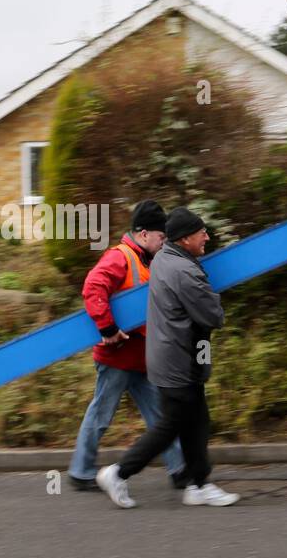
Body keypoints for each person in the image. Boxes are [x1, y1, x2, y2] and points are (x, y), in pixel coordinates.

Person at [97, 208, 239, 508]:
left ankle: (198, 485)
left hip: (174, 355)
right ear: (185, 238)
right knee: (172, 424)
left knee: (196, 421)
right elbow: (214, 316)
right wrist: (213, 299)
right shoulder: (184, 271)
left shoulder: (165, 257)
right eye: (202, 232)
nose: (207, 237)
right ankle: (119, 473)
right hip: (180, 360)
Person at [68, 200, 186, 491]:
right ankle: (81, 472)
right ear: (144, 234)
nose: (163, 243)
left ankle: (180, 470)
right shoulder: (120, 257)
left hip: (142, 359)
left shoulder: (147, 259)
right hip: (117, 358)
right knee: (101, 415)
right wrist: (107, 327)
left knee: (161, 415)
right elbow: (94, 287)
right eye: (161, 238)